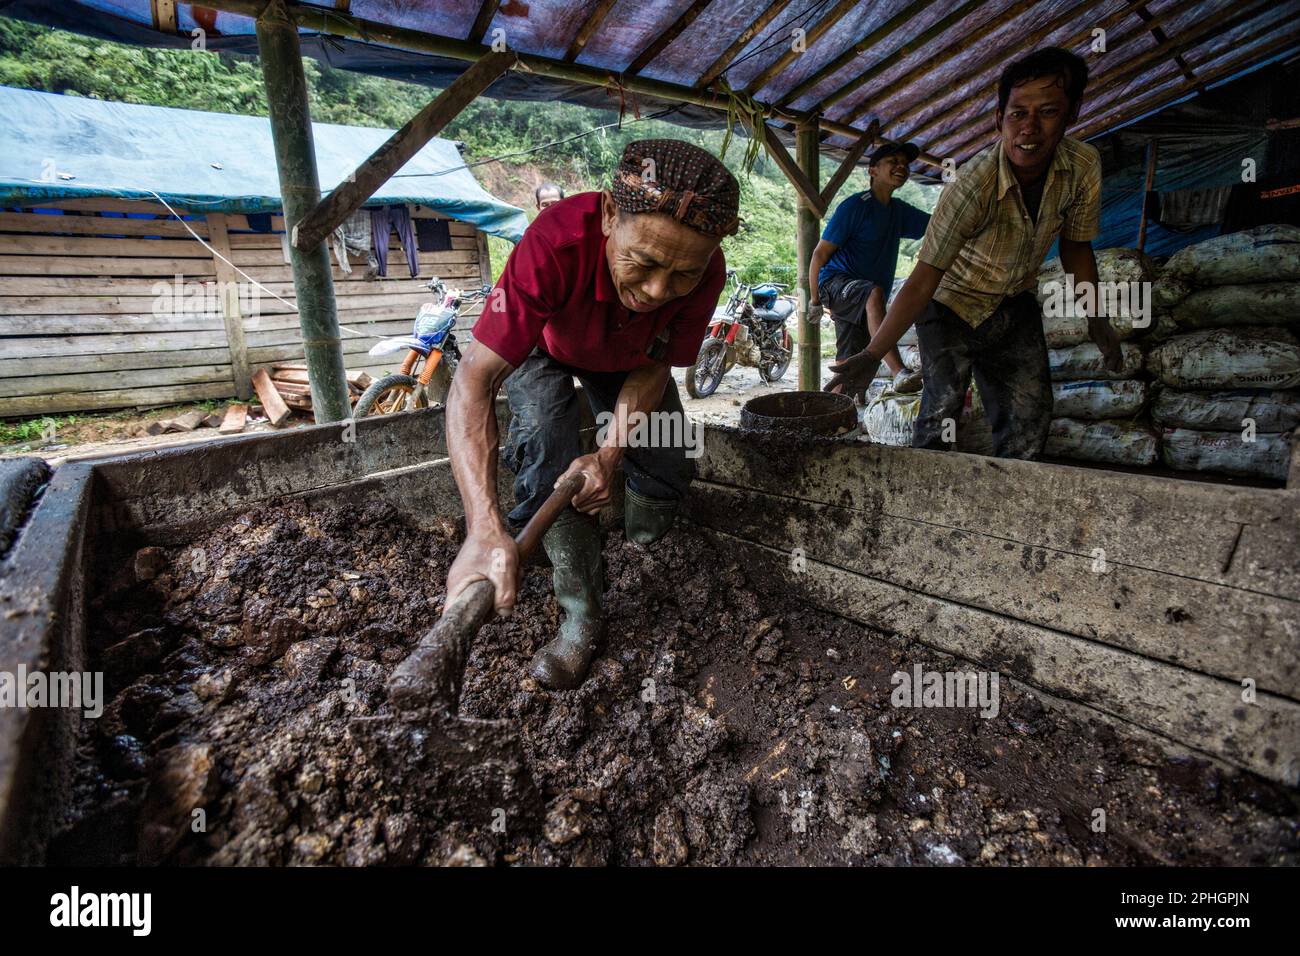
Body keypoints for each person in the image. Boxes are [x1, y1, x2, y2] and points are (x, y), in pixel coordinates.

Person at [442, 140, 737, 690]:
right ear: (607, 214)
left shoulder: (706, 268)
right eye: (643, 262)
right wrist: (482, 527)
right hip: (543, 347)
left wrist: (607, 454)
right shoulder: (553, 242)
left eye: (681, 276)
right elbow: (474, 381)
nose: (656, 291)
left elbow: (657, 368)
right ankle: (581, 614)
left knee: (667, 457)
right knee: (546, 455)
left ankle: (643, 560)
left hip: (629, 357)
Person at [826, 47, 1123, 458]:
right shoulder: (973, 184)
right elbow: (924, 276)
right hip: (948, 305)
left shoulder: (1083, 166)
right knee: (943, 413)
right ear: (999, 119)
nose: (1030, 129)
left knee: (1030, 414)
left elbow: (1076, 246)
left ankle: (1009, 504)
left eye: (1048, 112)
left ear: (1073, 114)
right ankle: (926, 506)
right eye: (1018, 113)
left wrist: (1096, 317)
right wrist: (875, 353)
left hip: (1013, 301)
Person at [810, 142, 930, 398]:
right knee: (873, 293)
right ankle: (899, 372)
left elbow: (938, 224)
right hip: (835, 283)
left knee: (860, 362)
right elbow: (819, 253)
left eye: (905, 164)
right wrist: (814, 301)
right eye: (893, 161)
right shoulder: (855, 206)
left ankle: (838, 410)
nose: (901, 167)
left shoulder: (899, 212)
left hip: (862, 296)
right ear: (873, 171)